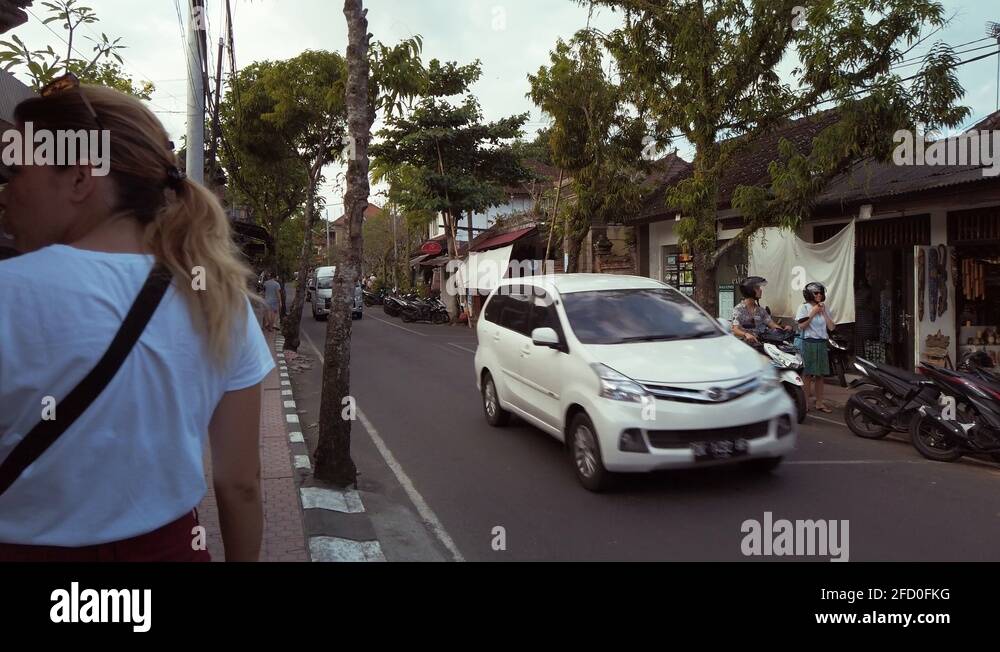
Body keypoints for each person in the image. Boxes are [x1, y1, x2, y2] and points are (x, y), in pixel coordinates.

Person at [0, 79, 273, 561]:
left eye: (18, 168)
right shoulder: (218, 300)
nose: (7, 188)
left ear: (82, 177)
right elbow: (240, 484)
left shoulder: (11, 293)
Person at [796, 282, 837, 413]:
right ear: (810, 294)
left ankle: (819, 403)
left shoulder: (824, 307)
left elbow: (831, 327)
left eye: (820, 292)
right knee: (808, 375)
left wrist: (824, 312)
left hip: (821, 343)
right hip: (809, 342)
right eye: (816, 293)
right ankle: (805, 404)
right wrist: (813, 313)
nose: (819, 295)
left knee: (820, 375)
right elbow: (801, 326)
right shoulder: (804, 307)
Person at [731, 276, 791, 345]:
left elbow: (771, 324)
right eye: (757, 288)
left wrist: (783, 330)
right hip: (743, 346)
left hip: (759, 345)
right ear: (749, 290)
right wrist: (746, 334)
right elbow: (735, 329)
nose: (760, 290)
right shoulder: (738, 309)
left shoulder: (761, 311)